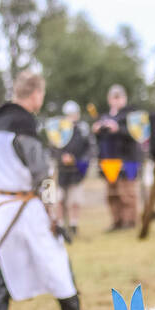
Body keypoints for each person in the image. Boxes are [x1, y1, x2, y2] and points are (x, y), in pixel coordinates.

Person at [0, 71, 108, 310]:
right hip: (24, 208)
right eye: (41, 95)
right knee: (57, 263)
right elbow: (42, 174)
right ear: (35, 94)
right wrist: (52, 212)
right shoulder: (23, 124)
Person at [92, 85, 141, 231]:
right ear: (109, 99)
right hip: (108, 160)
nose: (116, 100)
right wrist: (97, 130)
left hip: (127, 159)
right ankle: (117, 221)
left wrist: (119, 129)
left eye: (119, 97)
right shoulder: (104, 117)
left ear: (124, 98)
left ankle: (130, 221)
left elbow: (137, 134)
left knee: (127, 193)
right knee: (112, 194)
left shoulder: (132, 114)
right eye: (114, 97)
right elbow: (99, 139)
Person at [53, 100, 91, 237]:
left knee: (75, 201)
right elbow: (54, 148)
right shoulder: (58, 130)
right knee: (59, 200)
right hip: (62, 171)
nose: (72, 116)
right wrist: (61, 157)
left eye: (74, 113)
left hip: (76, 171)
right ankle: (61, 226)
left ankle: (74, 225)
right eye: (70, 114)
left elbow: (89, 148)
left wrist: (77, 160)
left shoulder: (82, 130)